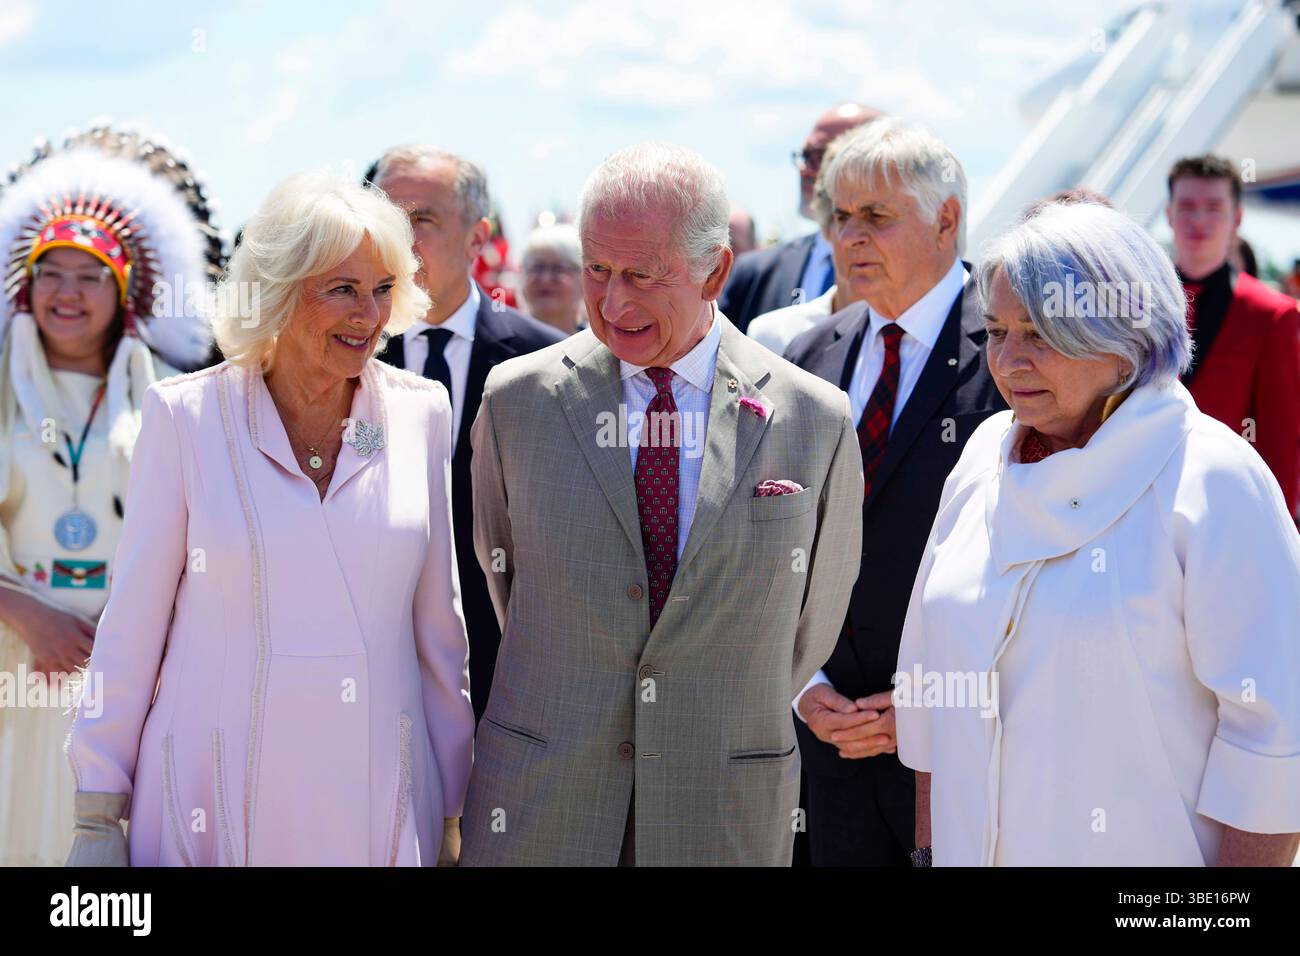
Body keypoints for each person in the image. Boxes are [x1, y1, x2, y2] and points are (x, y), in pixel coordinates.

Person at [459, 143, 864, 866]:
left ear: (716, 270)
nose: (614, 304)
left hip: (720, 809)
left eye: (642, 275)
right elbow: (507, 584)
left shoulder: (814, 420)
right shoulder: (517, 402)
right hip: (545, 804)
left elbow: (810, 627)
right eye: (597, 270)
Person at [64, 170, 474, 866]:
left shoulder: (418, 413)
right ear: (278, 294)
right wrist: (99, 811)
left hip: (376, 801)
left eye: (381, 290)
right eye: (341, 289)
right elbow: (130, 630)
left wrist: (456, 806)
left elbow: (440, 637)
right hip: (210, 795)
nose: (368, 315)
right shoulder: (186, 418)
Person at [897, 201, 1300, 866]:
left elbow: (1276, 742)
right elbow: (929, 694)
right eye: (995, 331)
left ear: (1128, 338)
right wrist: (927, 852)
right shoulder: (979, 460)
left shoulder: (1213, 477)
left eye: (1041, 334)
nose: (1009, 361)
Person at [784, 119, 1005, 866]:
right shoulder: (809, 355)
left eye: (876, 216)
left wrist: (929, 705)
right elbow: (771, 536)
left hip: (960, 752)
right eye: (840, 218)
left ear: (947, 220)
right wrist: (802, 684)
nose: (850, 236)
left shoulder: (1014, 351)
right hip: (825, 747)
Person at [0, 127, 220, 866]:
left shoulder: (169, 393)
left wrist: (130, 625)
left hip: (130, 657)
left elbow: (201, 529)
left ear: (123, 289)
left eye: (89, 275)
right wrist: (26, 614)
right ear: (25, 286)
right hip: (16, 659)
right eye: (51, 273)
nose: (68, 293)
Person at [371, 145, 564, 723]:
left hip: (504, 675)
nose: (398, 240)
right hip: (368, 665)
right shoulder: (342, 354)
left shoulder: (543, 362)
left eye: (421, 220)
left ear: (478, 237)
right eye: (385, 219)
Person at [1166, 155, 1300, 515]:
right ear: (1168, 214)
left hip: (1225, 512)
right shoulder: (1138, 304)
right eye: (1187, 206)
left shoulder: (1273, 314)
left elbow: (1280, 443)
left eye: (1213, 207)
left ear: (1236, 218)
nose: (1199, 219)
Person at [719, 103, 883, 332]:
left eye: (822, 156)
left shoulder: (915, 277)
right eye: (805, 156)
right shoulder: (756, 273)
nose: (805, 169)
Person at [748, 131, 861, 355]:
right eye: (844, 217)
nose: (861, 236)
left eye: (880, 217)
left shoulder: (919, 337)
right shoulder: (776, 335)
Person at [521, 222, 585, 334]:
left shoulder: (602, 347)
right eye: (537, 268)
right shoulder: (501, 347)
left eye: (558, 269)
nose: (545, 279)